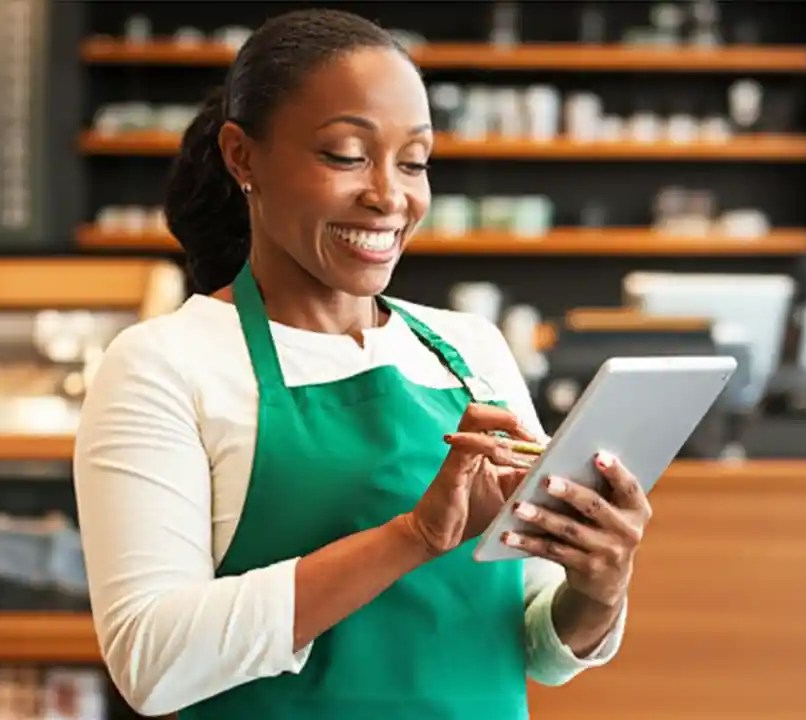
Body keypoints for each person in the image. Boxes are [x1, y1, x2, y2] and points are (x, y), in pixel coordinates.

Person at [72, 8, 655, 719]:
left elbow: (531, 641)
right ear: (241, 156)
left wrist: (598, 586)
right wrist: (410, 538)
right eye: (346, 156)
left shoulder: (473, 351)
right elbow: (151, 660)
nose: (389, 195)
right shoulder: (163, 364)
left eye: (413, 162)